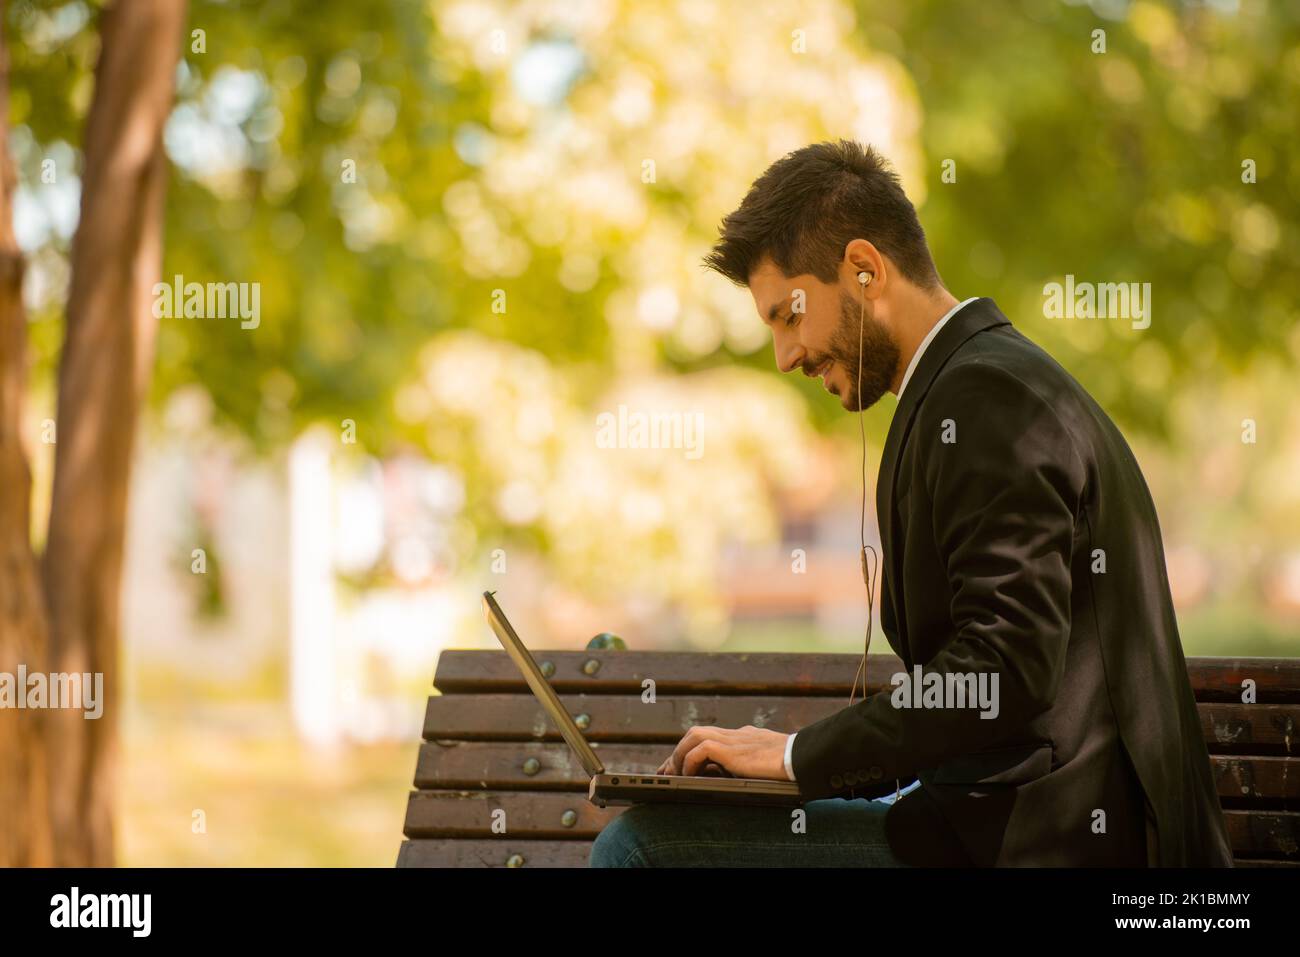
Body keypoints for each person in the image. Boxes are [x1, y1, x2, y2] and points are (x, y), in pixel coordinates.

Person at [589, 139, 1232, 867]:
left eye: (788, 315)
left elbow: (1002, 669)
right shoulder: (976, 384)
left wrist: (798, 756)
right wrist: (801, 762)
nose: (784, 355)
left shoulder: (988, 399)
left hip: (1059, 851)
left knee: (644, 849)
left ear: (864, 270)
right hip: (993, 826)